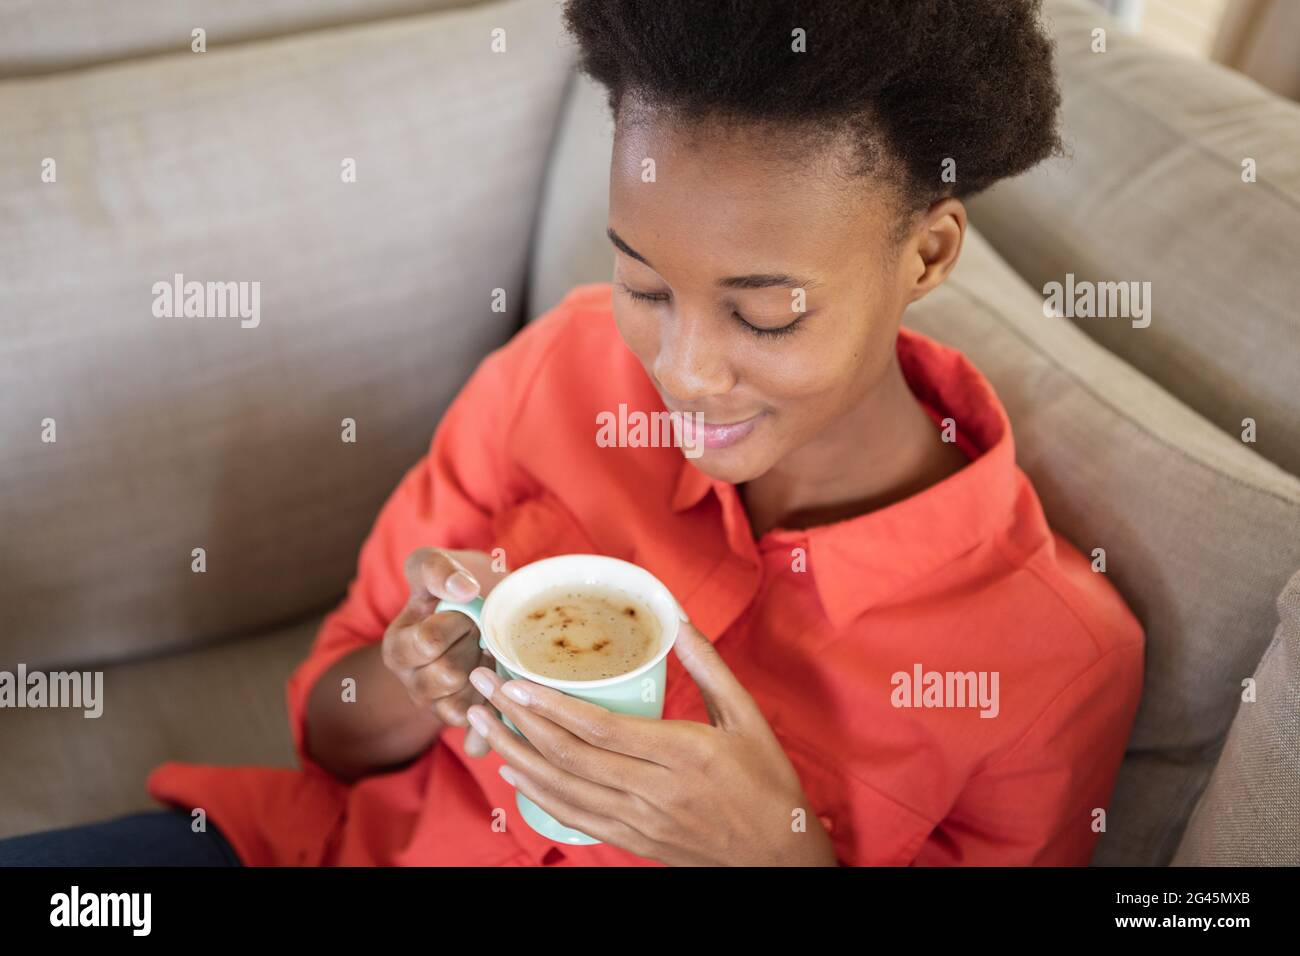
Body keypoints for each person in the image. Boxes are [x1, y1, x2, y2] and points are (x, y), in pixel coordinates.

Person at [0, 0, 1143, 867]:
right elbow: (330, 731)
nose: (683, 371)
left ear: (930, 254)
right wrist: (412, 675)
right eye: (645, 283)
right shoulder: (565, 365)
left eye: (765, 311)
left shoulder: (1048, 661)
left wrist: (783, 853)